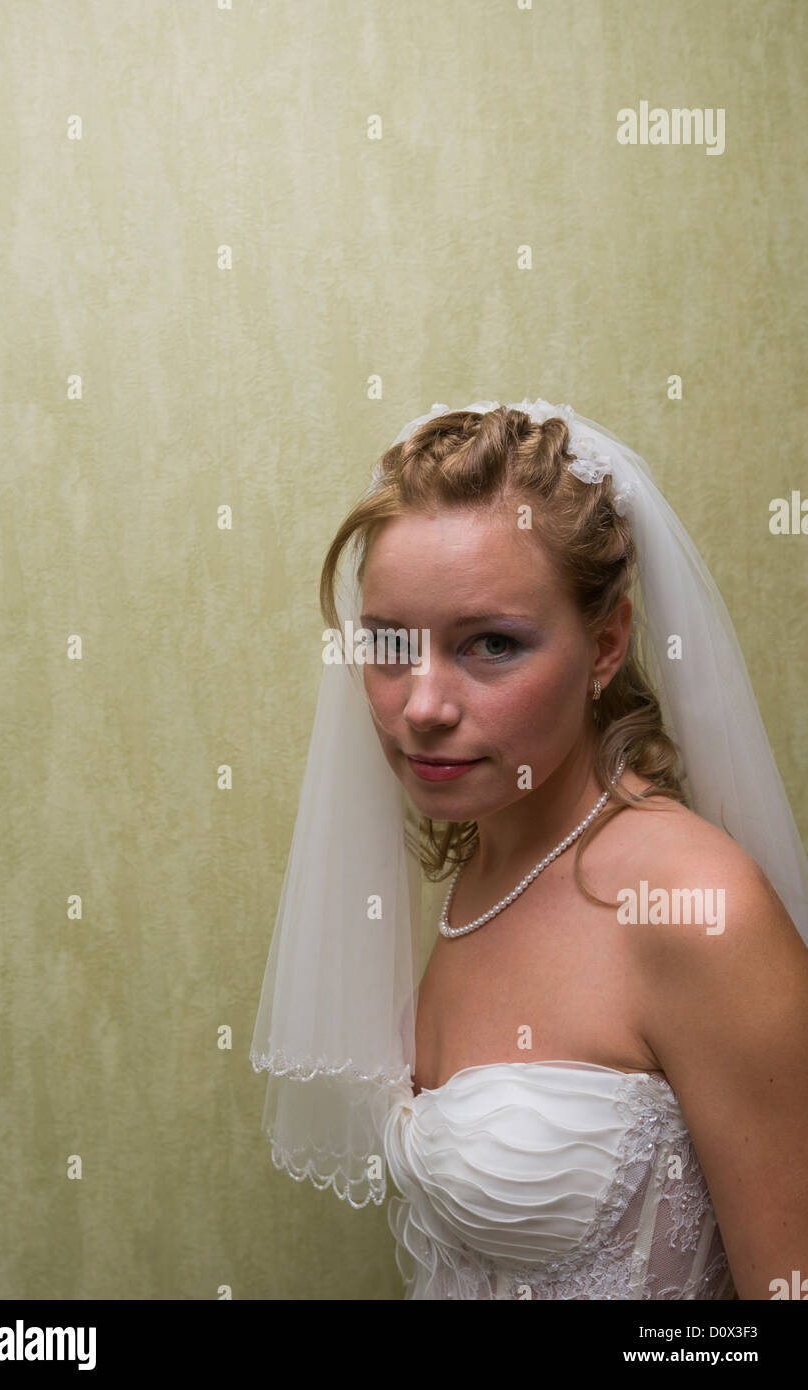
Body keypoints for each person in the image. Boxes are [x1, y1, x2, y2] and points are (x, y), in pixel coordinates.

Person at [251, 398, 808, 1299]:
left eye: (491, 645)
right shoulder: (476, 865)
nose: (421, 706)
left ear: (605, 644)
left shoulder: (696, 908)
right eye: (390, 644)